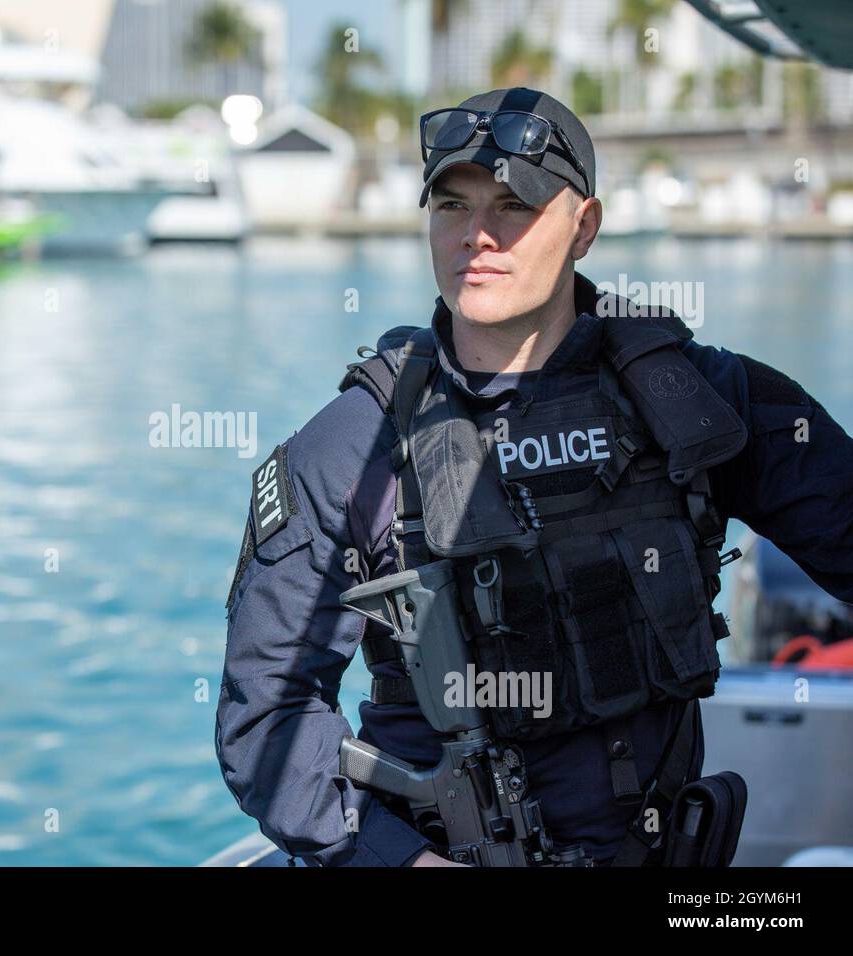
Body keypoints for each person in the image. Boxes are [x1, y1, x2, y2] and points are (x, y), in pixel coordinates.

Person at [214, 87, 853, 867]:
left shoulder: (698, 403)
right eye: (452, 205)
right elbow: (268, 716)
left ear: (584, 228)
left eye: (514, 206)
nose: (476, 236)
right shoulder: (349, 448)